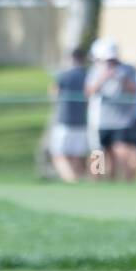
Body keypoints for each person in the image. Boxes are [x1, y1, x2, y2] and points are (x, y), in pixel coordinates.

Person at [86, 39, 136, 180]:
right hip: (99, 121)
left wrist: (121, 78)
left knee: (121, 152)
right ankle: (97, 181)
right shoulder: (95, 70)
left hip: (122, 121)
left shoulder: (127, 70)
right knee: (98, 154)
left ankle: (123, 181)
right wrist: (103, 77)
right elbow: (89, 92)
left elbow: (134, 90)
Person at [49, 48, 90, 183]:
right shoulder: (87, 75)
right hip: (82, 120)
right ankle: (76, 178)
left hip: (64, 120)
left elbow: (53, 93)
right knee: (76, 155)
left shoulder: (64, 75)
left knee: (58, 154)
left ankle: (71, 180)